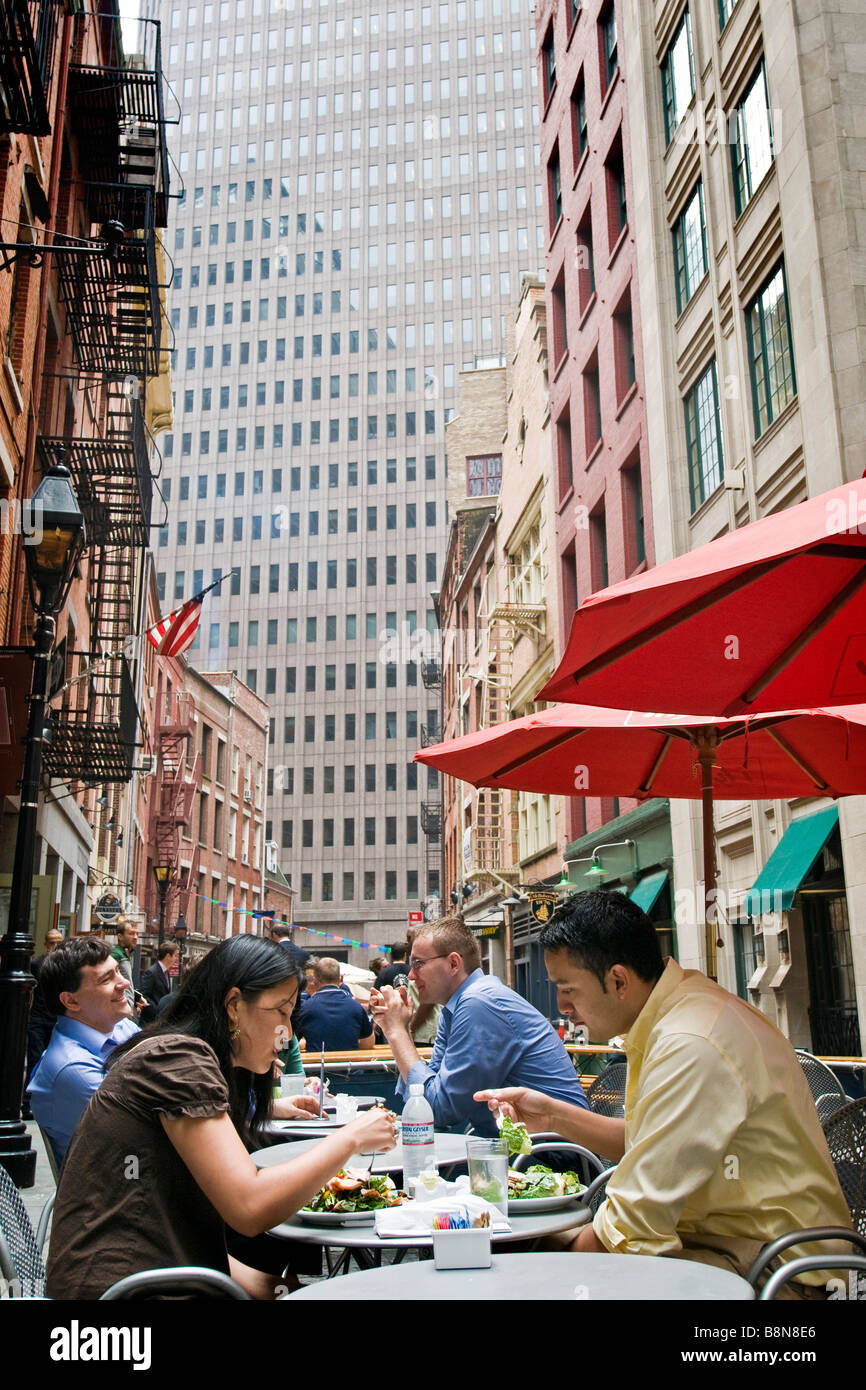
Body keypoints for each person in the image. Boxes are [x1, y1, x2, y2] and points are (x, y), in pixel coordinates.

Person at [475, 889, 853, 1297]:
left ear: (618, 980)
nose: (561, 1005)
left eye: (567, 988)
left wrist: (537, 1271)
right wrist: (553, 1116)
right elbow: (651, 1148)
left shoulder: (690, 1042)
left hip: (780, 1273)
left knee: (528, 1259)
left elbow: (631, 1227)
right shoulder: (673, 1013)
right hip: (722, 1242)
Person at [45, 935, 398, 1299]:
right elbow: (250, 1206)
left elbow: (191, 1237)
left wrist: (275, 1287)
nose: (287, 1032)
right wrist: (350, 1138)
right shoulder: (179, 1058)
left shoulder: (188, 1058)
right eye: (280, 1011)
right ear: (233, 1005)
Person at [370, 915, 588, 1135]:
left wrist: (396, 1032)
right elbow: (430, 1090)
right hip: (516, 1145)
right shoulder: (458, 1006)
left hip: (553, 1154)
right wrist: (400, 1027)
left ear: (453, 963)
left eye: (418, 964)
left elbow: (438, 1110)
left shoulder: (479, 1003)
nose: (411, 975)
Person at [27, 937, 140, 1165]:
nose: (124, 983)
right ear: (71, 1001)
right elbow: (149, 1129)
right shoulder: (71, 1069)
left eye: (118, 971)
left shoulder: (122, 1027)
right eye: (107, 979)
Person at [296, 957, 375, 1051]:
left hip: (317, 1064)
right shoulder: (356, 1007)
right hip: (349, 1063)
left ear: (315, 979)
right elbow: (368, 1044)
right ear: (339, 979)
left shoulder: (305, 1008)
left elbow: (288, 1043)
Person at [26, 928, 64, 1084]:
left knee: (54, 1060)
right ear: (46, 944)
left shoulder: (66, 967)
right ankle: (28, 1100)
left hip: (57, 1019)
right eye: (52, 943)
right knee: (35, 1058)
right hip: (38, 1018)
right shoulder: (36, 964)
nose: (55, 946)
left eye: (58, 942)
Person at [138, 941, 178, 1023]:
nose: (176, 959)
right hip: (150, 1020)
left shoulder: (166, 972)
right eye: (175, 955)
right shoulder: (151, 972)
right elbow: (144, 995)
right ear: (168, 956)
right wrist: (157, 1009)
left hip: (161, 1019)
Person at [110, 920, 139, 1011]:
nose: (135, 937)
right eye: (131, 934)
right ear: (120, 937)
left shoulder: (126, 954)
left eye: (137, 934)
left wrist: (137, 997)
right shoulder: (115, 955)